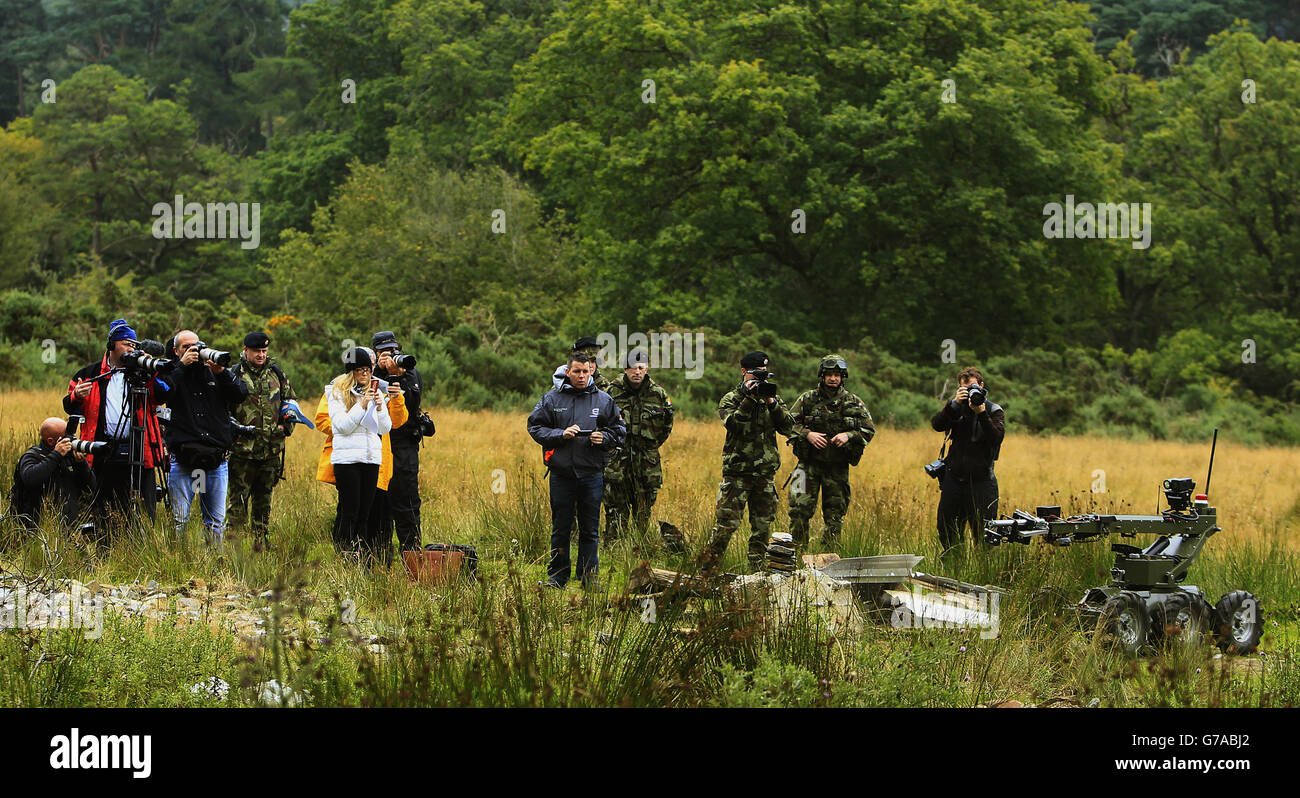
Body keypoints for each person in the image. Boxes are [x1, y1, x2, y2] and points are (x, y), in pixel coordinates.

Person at [527, 351, 625, 589]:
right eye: (577, 371)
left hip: (591, 474)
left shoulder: (604, 400)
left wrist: (605, 437)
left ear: (591, 371)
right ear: (568, 371)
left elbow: (620, 430)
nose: (581, 376)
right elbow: (535, 427)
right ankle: (558, 576)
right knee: (561, 527)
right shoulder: (552, 399)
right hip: (562, 474)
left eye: (586, 371)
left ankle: (589, 577)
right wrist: (560, 434)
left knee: (590, 529)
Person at [62, 318, 168, 534]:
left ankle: (142, 544)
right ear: (112, 345)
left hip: (140, 447)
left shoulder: (141, 372)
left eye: (134, 345)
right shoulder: (90, 373)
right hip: (104, 447)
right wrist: (76, 396)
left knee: (144, 505)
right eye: (126, 344)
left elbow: (164, 394)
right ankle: (106, 546)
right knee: (104, 504)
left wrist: (151, 370)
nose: (131, 349)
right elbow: (69, 406)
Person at [698, 351, 796, 574]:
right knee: (726, 525)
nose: (761, 379)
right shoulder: (731, 399)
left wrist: (770, 401)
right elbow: (734, 425)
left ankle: (757, 572)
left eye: (764, 374)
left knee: (762, 527)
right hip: (737, 474)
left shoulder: (772, 398)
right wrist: (749, 399)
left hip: (764, 474)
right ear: (744, 372)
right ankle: (707, 572)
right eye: (756, 374)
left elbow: (789, 426)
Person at [160, 330, 249, 545]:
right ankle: (177, 565)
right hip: (183, 458)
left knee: (215, 521)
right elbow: (162, 392)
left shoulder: (213, 372)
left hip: (215, 459)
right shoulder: (172, 371)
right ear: (176, 350)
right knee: (180, 520)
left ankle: (212, 566)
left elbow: (241, 394)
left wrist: (222, 372)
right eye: (186, 347)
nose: (193, 351)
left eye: (197, 346)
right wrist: (181, 365)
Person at [786, 354, 875, 548]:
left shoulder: (853, 402)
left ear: (843, 376)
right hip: (807, 466)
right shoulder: (807, 399)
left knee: (835, 516)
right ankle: (796, 557)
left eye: (837, 374)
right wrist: (807, 434)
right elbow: (788, 424)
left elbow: (869, 429)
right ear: (822, 375)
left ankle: (830, 561)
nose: (833, 378)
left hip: (837, 468)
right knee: (799, 513)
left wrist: (849, 436)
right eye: (829, 374)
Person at [227, 331, 298, 550]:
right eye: (257, 351)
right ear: (246, 350)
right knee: (237, 501)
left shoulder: (276, 373)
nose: (261, 355)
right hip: (243, 451)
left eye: (264, 351)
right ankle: (234, 545)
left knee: (263, 500)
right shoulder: (234, 374)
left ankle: (261, 542)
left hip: (270, 450)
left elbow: (291, 401)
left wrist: (286, 425)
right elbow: (223, 409)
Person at [320, 347, 392, 558]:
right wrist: (362, 404)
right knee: (349, 511)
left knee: (365, 513)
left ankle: (360, 556)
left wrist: (379, 407)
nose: (365, 374)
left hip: (371, 459)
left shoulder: (376, 391)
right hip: (347, 460)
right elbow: (341, 426)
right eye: (360, 370)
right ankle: (344, 554)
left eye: (368, 370)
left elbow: (384, 428)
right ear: (351, 372)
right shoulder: (337, 392)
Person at [602, 348, 674, 542]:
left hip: (646, 465)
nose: (637, 372)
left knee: (643, 511)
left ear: (647, 368)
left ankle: (640, 548)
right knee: (615, 513)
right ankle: (614, 553)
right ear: (625, 369)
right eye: (633, 368)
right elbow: (600, 424)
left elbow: (667, 424)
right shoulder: (611, 393)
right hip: (618, 464)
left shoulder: (658, 394)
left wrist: (649, 446)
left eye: (641, 367)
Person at [931, 366, 1005, 551]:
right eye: (965, 388)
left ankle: (982, 574)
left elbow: (996, 438)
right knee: (947, 530)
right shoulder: (956, 408)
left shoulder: (993, 410)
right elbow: (937, 425)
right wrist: (954, 404)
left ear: (982, 386)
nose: (970, 392)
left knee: (985, 536)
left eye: (973, 387)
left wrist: (981, 413)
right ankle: (954, 569)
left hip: (981, 483)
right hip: (954, 479)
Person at [370, 330, 426, 556]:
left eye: (392, 351)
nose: (389, 356)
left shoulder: (411, 373)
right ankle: (379, 557)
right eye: (383, 352)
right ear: (375, 354)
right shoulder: (369, 373)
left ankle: (411, 556)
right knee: (379, 504)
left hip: (404, 445)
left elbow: (411, 406)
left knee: (407, 502)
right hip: (377, 445)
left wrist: (399, 376)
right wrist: (379, 372)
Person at [8, 418, 96, 532]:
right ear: (51, 441)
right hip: (35, 529)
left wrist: (81, 464)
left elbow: (92, 487)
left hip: (69, 528)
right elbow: (30, 478)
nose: (70, 442)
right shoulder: (32, 456)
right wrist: (56, 455)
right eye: (65, 439)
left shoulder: (69, 458)